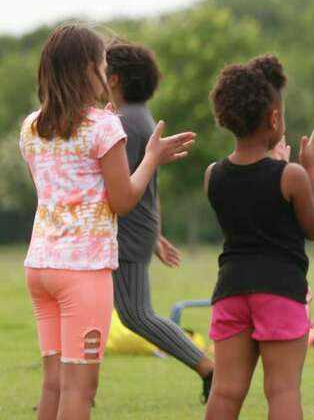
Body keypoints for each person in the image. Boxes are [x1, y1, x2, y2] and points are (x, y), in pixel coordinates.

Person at [20, 23, 194, 420]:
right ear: (88, 71)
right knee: (81, 390)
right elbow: (123, 200)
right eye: (101, 63)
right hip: (83, 272)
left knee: (53, 384)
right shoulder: (103, 126)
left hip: (40, 266)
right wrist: (150, 158)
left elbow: (49, 193)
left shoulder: (30, 126)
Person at [203, 55, 314, 420]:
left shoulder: (213, 175)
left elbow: (249, 195)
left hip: (230, 291)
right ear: (274, 119)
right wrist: (313, 169)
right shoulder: (291, 176)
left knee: (225, 391)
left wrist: (277, 164)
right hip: (280, 292)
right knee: (282, 389)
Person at [105, 40, 215, 402]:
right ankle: (76, 389)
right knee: (96, 310)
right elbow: (145, 176)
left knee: (136, 314)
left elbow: (128, 183)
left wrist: (149, 233)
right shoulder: (136, 117)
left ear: (115, 79)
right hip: (137, 229)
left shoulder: (125, 122)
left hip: (127, 231)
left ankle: (208, 367)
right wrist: (154, 233)